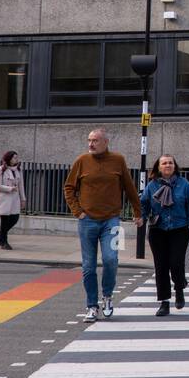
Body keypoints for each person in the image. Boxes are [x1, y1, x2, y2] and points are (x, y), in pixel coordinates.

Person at [64, 128, 142, 322]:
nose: (91, 144)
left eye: (95, 140)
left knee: (111, 260)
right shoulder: (82, 161)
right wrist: (78, 212)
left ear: (106, 142)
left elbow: (130, 188)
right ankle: (91, 306)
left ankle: (107, 296)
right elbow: (69, 187)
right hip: (87, 220)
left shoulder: (118, 160)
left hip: (112, 220)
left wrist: (138, 213)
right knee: (89, 266)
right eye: (89, 140)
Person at [140, 154, 189, 316]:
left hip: (179, 229)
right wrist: (140, 216)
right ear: (159, 167)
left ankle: (179, 287)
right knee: (161, 267)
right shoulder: (152, 185)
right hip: (157, 230)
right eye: (164, 163)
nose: (168, 165)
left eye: (170, 163)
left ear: (175, 166)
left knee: (176, 263)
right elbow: (144, 203)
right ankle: (164, 302)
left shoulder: (184, 185)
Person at [0, 151, 26, 249]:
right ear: (8, 159)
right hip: (4, 198)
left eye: (17, 157)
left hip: (14, 198)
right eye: (14, 158)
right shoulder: (1, 170)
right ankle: (4, 242)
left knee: (15, 218)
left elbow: (21, 185)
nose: (16, 159)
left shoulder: (18, 170)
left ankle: (0, 233)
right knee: (5, 220)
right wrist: (10, 188)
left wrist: (23, 199)